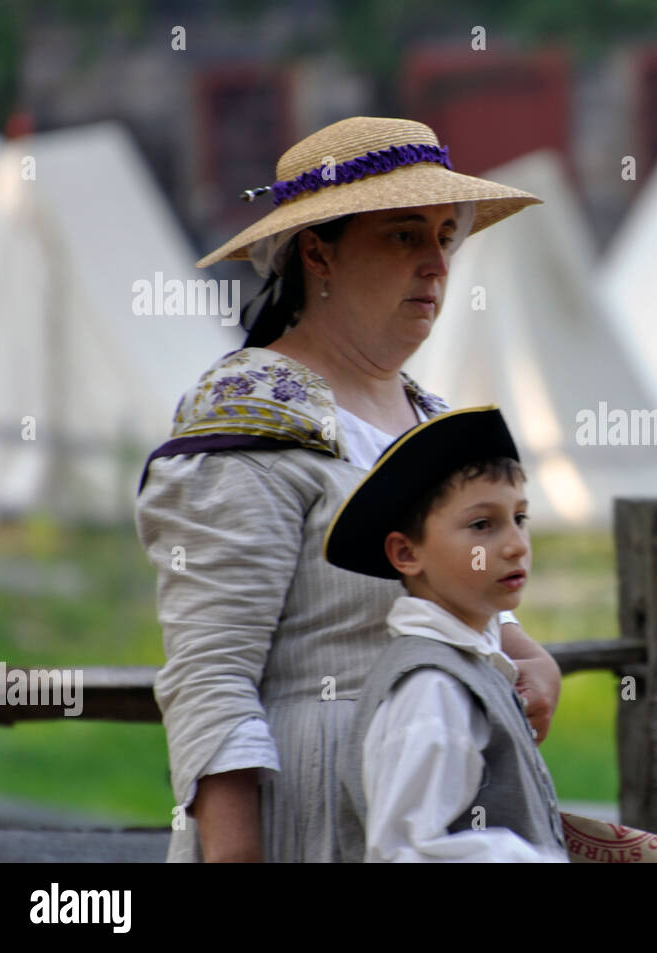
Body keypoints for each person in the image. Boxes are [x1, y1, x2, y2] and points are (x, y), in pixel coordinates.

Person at [135, 117, 563, 862]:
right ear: (317, 252)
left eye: (445, 235)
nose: (436, 263)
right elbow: (212, 677)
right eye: (403, 236)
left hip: (456, 803)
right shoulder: (250, 420)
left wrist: (524, 653)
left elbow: (434, 593)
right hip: (322, 817)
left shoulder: (428, 415)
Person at [325, 405, 567, 862]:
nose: (516, 545)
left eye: (520, 518)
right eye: (482, 525)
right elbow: (405, 852)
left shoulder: (468, 667)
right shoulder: (432, 689)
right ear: (406, 552)